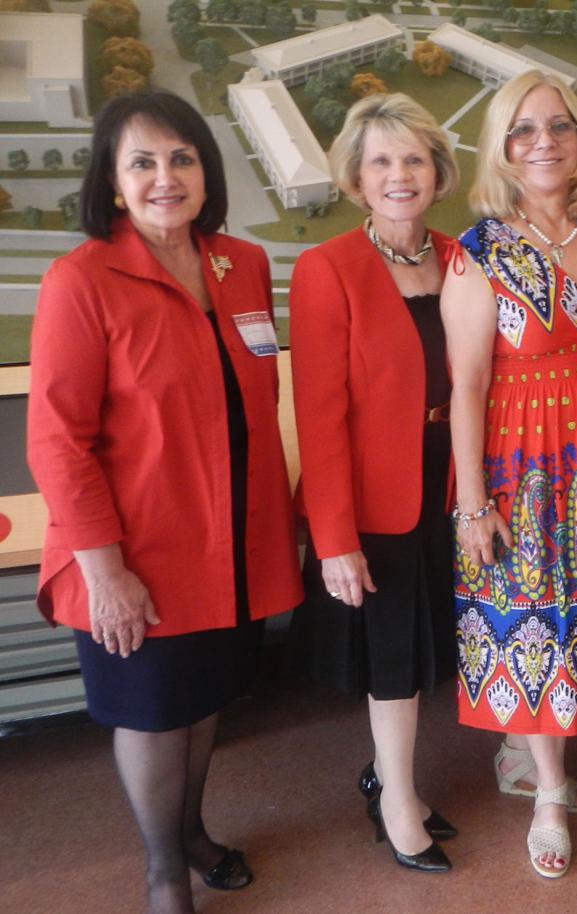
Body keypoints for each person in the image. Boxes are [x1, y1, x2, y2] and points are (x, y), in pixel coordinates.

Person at [26, 91, 302, 914]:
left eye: (181, 158)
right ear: (113, 182)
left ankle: (190, 830)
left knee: (202, 699)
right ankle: (162, 872)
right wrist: (103, 571)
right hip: (136, 550)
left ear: (206, 171)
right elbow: (57, 440)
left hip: (231, 542)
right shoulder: (83, 280)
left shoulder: (240, 263)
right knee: (151, 714)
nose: (164, 177)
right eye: (141, 162)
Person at [441, 69, 577, 880]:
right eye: (523, 130)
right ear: (503, 150)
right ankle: (548, 792)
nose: (544, 141)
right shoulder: (479, 252)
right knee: (533, 620)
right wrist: (472, 505)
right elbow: (468, 388)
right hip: (522, 473)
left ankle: (529, 756)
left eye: (558, 125)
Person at [288, 93, 461, 873]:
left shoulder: (463, 257)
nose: (400, 175)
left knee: (430, 647)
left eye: (414, 159)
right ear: (357, 177)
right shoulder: (328, 269)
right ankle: (397, 799)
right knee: (393, 657)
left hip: (454, 485)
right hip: (375, 497)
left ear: (437, 172)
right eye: (382, 161)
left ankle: (389, 778)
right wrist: (333, 539)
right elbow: (319, 418)